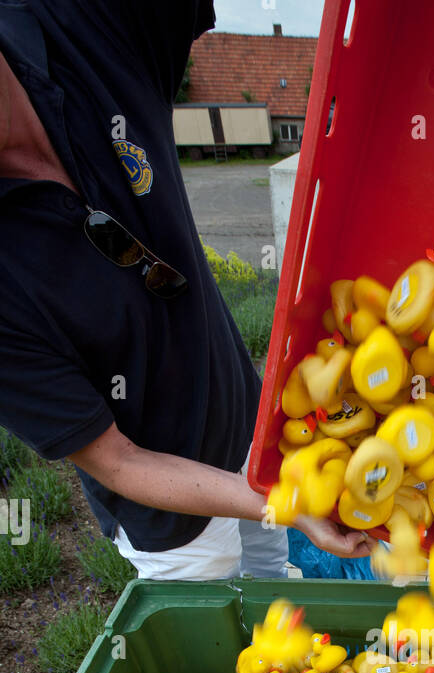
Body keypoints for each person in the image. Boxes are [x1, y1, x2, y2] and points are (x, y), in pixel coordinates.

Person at [0, 0, 372, 581]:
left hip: (248, 427)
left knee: (277, 595)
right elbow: (117, 462)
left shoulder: (76, 22)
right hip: (172, 525)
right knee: (229, 655)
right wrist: (282, 504)